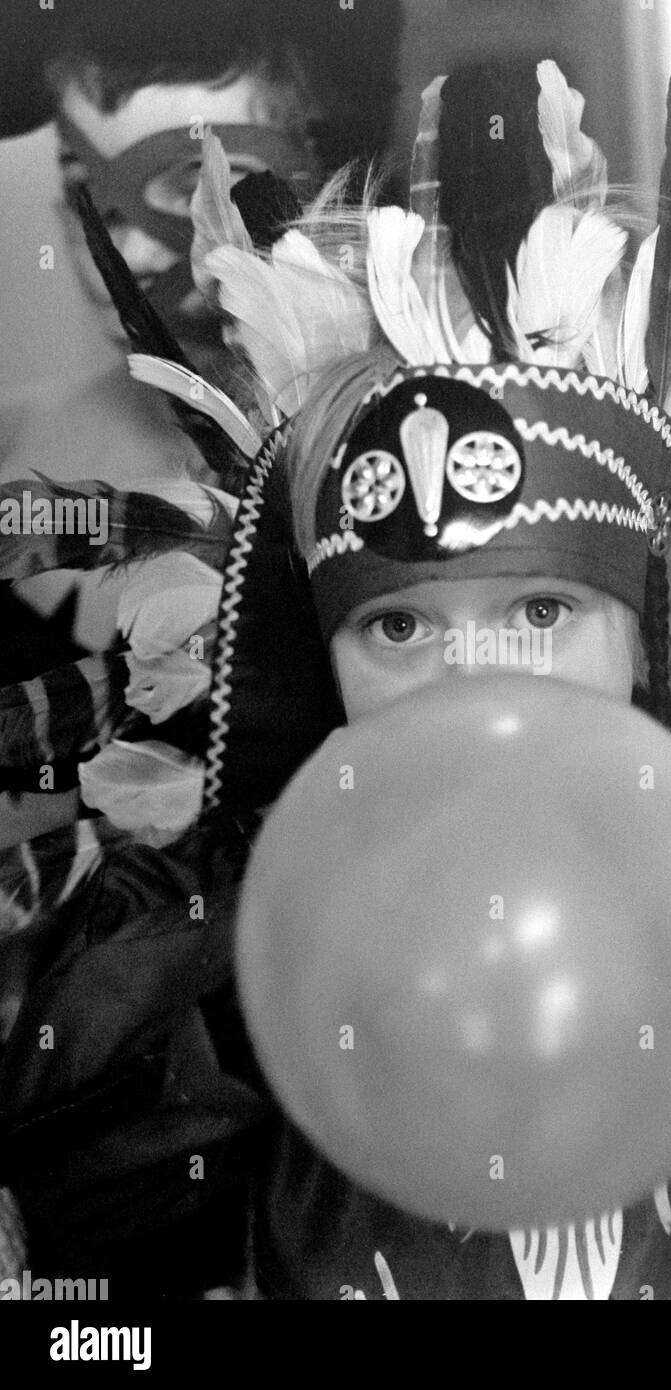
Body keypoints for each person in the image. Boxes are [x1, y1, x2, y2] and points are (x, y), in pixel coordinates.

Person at [2, 49, 671, 1300]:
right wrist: (260, 990)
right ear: (327, 650)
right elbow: (75, 1215)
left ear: (640, 634)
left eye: (539, 610)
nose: (476, 684)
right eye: (402, 630)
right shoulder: (204, 896)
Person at [0, 0, 402, 844]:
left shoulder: (427, 453)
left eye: (190, 183)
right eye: (83, 184)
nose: (132, 251)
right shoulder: (19, 446)